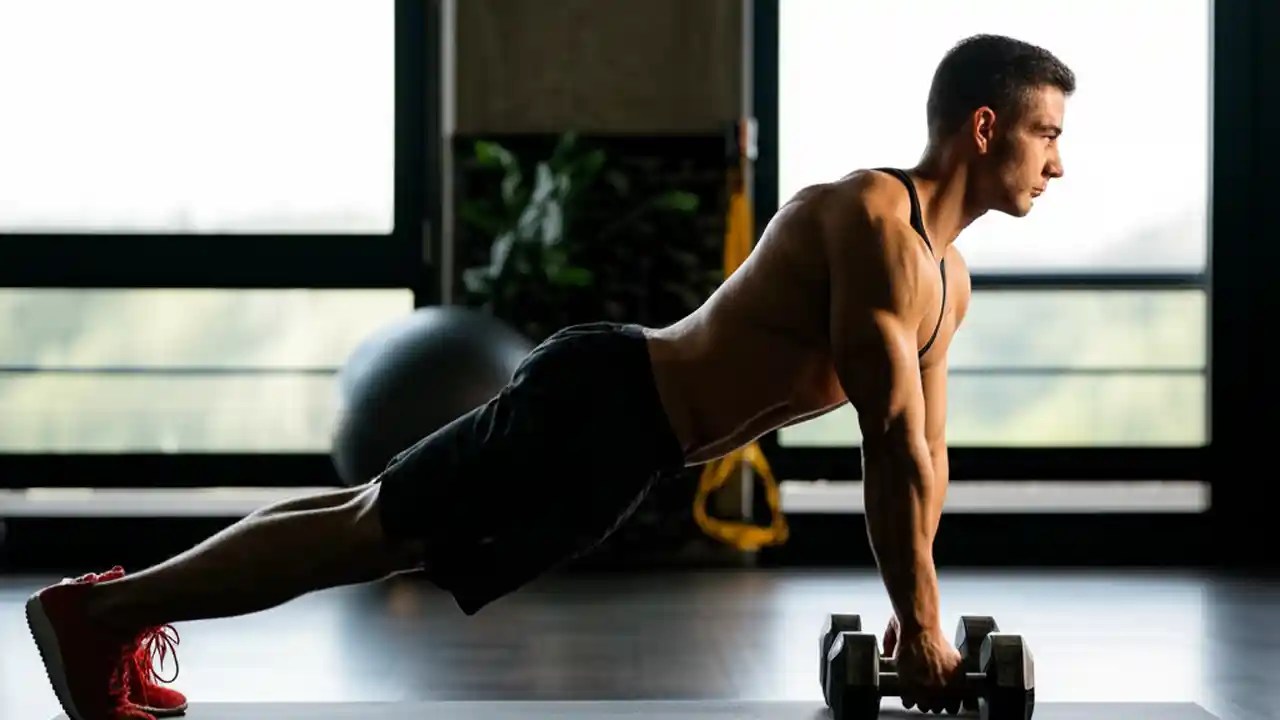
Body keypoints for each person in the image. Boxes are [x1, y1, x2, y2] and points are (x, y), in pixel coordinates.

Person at [26, 33, 1072, 720]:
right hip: (606, 405)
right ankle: (98, 615)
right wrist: (924, 623)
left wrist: (913, 613)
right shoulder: (869, 221)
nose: (1055, 163)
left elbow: (922, 456)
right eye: (1045, 134)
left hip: (627, 445)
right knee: (367, 532)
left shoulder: (949, 279)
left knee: (372, 525)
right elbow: (884, 442)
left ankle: (108, 614)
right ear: (985, 128)